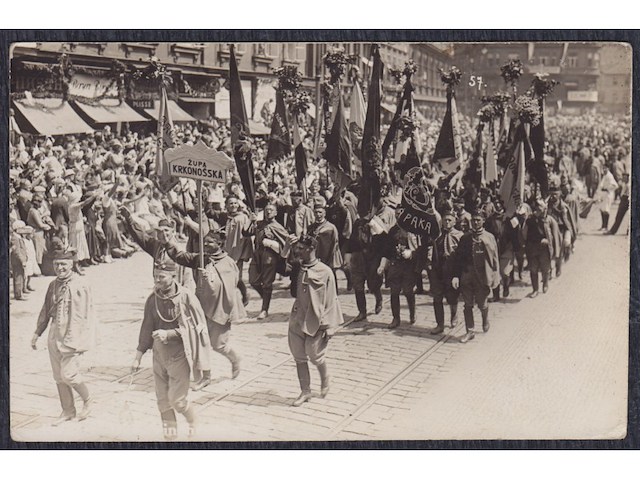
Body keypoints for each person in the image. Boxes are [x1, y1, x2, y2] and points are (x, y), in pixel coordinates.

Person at [131, 258, 211, 440]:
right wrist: (137, 356)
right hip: (159, 356)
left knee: (178, 401)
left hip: (180, 355)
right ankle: (170, 438)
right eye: (155, 277)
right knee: (163, 402)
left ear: (173, 276)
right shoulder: (153, 299)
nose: (157, 281)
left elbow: (197, 327)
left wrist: (170, 334)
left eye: (161, 277)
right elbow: (146, 327)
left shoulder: (186, 297)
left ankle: (193, 421)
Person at [165, 230, 245, 386]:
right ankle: (206, 377)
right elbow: (182, 257)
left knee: (217, 345)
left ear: (219, 244)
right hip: (201, 307)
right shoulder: (202, 259)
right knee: (200, 342)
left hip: (220, 309)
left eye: (210, 242)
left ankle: (235, 358)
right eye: (205, 242)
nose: (206, 245)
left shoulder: (228, 263)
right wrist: (167, 243)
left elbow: (227, 289)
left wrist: (209, 280)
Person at [31, 247, 95, 425]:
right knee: (59, 377)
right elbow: (46, 310)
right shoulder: (53, 285)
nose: (60, 268)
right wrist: (37, 333)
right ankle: (68, 410)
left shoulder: (81, 284)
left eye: (64, 264)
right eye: (57, 264)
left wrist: (82, 340)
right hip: (54, 334)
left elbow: (85, 314)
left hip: (72, 335)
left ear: (72, 264)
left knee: (69, 375)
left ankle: (88, 399)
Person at [287, 234, 343, 407]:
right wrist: (289, 246)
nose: (298, 251)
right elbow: (283, 263)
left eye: (302, 249)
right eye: (298, 248)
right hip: (297, 318)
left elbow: (331, 299)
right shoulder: (298, 266)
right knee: (299, 356)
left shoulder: (325, 271)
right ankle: (305, 391)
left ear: (312, 249)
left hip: (316, 320)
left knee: (314, 355)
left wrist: (329, 326)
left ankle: (325, 377)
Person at [451, 209, 500, 343]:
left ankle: (485, 319)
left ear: (483, 221)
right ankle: (470, 331)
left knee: (482, 304)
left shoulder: (489, 237)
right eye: (474, 220)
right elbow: (458, 258)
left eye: (478, 220)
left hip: (482, 276)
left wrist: (495, 276)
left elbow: (494, 259)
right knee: (467, 305)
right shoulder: (465, 237)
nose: (476, 222)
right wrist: (456, 276)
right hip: (467, 274)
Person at [245, 202, 291, 319]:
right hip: (257, 254)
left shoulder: (278, 227)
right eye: (266, 210)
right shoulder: (259, 224)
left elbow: (286, 243)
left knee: (267, 283)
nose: (268, 212)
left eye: (271, 210)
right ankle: (266, 296)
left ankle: (264, 309)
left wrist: (272, 244)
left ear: (276, 213)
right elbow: (246, 232)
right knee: (253, 281)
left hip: (269, 257)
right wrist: (251, 220)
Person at [378, 215, 419, 329]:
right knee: (394, 292)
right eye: (397, 215)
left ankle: (412, 311)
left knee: (408, 291)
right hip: (395, 265)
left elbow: (421, 248)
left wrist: (411, 253)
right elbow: (386, 250)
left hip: (409, 267)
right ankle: (396, 318)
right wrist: (382, 265)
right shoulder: (393, 230)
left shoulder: (414, 230)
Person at [343, 214, 385, 322]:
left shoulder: (376, 222)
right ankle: (362, 311)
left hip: (373, 258)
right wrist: (347, 256)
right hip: (358, 258)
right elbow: (352, 241)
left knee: (373, 284)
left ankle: (378, 298)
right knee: (358, 285)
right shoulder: (358, 223)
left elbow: (383, 240)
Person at [428, 208, 463, 334]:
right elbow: (433, 252)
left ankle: (454, 315)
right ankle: (440, 324)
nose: (447, 222)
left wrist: (458, 275)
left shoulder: (459, 236)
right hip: (439, 270)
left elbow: (462, 257)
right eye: (445, 220)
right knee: (437, 298)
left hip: (452, 271)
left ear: (454, 221)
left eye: (449, 220)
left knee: (452, 297)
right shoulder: (437, 236)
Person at [222, 195, 253, 306]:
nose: (233, 205)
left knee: (236, 276)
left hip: (237, 252)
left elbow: (245, 237)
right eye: (230, 203)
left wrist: (242, 253)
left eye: (235, 203)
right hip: (226, 251)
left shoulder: (242, 218)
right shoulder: (226, 217)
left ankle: (243, 296)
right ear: (226, 206)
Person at [523, 200, 555, 298]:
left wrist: (548, 241)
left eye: (540, 207)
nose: (538, 208)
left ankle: (545, 283)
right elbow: (524, 232)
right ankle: (535, 289)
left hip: (544, 249)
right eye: (536, 207)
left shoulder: (548, 220)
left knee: (545, 269)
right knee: (533, 269)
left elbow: (554, 234)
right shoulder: (530, 219)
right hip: (532, 248)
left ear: (545, 208)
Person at [10, 220, 29, 301]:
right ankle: (18, 294)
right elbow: (17, 252)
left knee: (21, 276)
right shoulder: (15, 238)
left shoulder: (18, 237)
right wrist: (22, 260)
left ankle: (20, 292)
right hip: (17, 261)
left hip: (19, 261)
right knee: (18, 278)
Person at [596, 164, 618, 232]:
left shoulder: (609, 176)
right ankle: (603, 226)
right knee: (602, 210)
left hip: (608, 195)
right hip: (603, 195)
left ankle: (606, 226)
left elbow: (615, 186)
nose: (604, 170)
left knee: (606, 210)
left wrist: (607, 189)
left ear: (608, 168)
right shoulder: (605, 175)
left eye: (605, 168)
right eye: (603, 168)